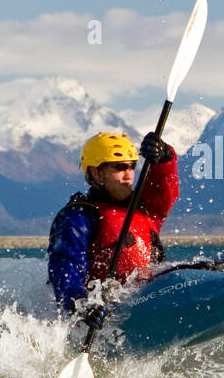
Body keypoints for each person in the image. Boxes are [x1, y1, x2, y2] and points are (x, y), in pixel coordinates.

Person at [48, 130, 178, 326]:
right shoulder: (79, 218)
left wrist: (164, 158)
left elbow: (164, 187)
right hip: (107, 313)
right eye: (119, 168)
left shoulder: (146, 208)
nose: (128, 176)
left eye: (132, 167)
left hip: (151, 298)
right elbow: (66, 268)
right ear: (95, 173)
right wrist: (81, 304)